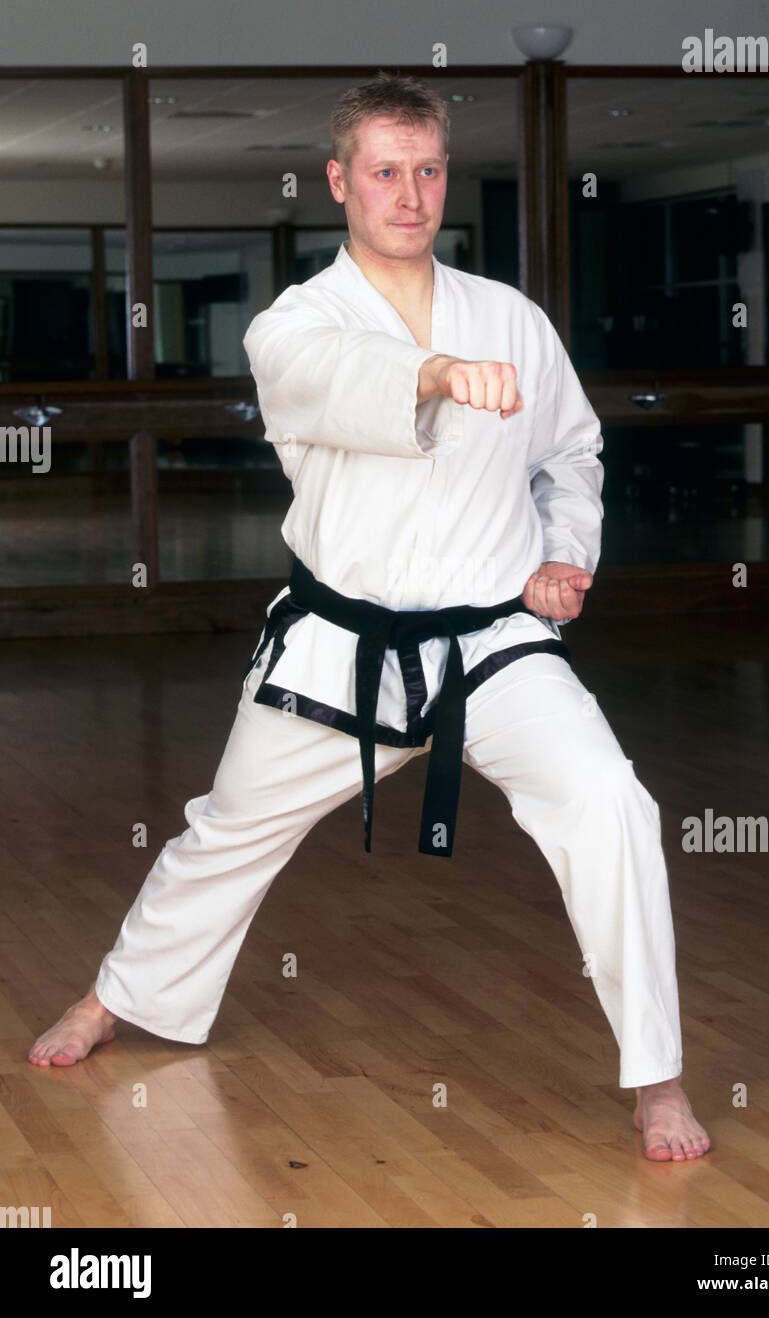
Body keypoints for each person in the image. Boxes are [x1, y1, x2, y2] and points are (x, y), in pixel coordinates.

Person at [29, 73, 710, 1164]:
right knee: (228, 832)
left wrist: (560, 555)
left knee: (613, 806)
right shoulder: (298, 322)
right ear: (340, 179)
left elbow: (572, 453)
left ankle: (659, 1078)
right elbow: (332, 382)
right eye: (386, 171)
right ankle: (112, 1000)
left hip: (492, 639)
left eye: (428, 169)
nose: (410, 193)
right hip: (344, 643)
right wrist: (437, 372)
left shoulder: (513, 319)